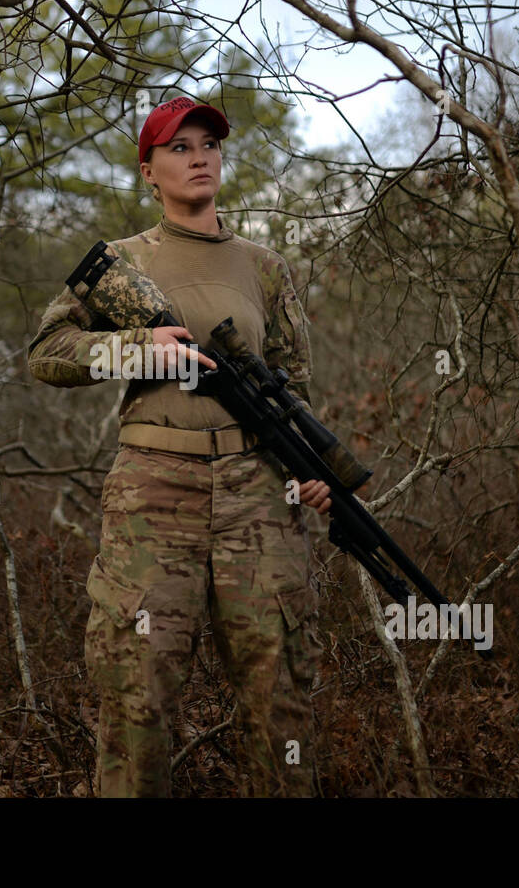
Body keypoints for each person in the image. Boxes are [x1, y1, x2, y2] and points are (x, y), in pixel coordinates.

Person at [26, 95, 330, 797]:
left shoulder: (266, 266)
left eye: (210, 145)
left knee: (280, 694)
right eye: (180, 147)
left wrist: (312, 475)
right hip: (152, 493)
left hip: (258, 491)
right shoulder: (121, 263)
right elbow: (48, 353)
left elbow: (297, 390)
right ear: (149, 171)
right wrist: (139, 348)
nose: (200, 157)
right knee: (138, 693)